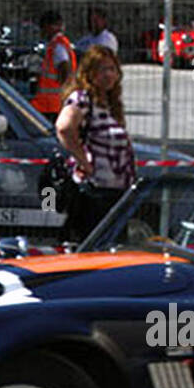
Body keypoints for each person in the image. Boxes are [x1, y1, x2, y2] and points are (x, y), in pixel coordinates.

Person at [55, 45, 136, 242]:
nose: (109, 74)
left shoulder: (109, 103)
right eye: (102, 69)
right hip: (95, 193)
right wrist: (84, 162)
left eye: (112, 69)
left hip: (117, 194)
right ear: (89, 73)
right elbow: (64, 127)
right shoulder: (83, 99)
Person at [31, 10, 76, 122]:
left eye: (43, 28)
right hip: (52, 104)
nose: (42, 32)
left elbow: (64, 67)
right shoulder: (56, 44)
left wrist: (63, 89)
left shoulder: (57, 45)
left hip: (52, 106)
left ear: (49, 27)